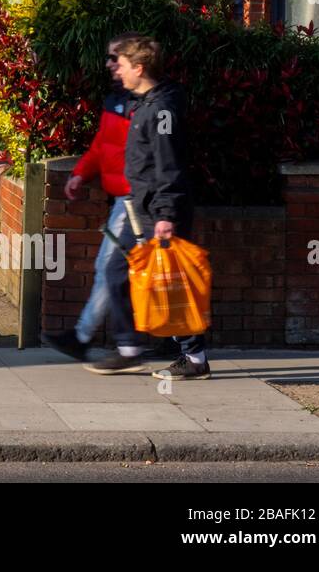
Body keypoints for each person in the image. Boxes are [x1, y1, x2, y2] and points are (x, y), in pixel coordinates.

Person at [85, 34, 210, 379]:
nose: (115, 70)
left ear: (139, 68)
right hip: (139, 208)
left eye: (121, 64)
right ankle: (130, 350)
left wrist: (166, 216)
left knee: (167, 283)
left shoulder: (161, 109)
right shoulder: (144, 102)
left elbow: (169, 165)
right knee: (119, 273)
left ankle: (195, 357)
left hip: (157, 213)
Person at [39, 34, 136, 362]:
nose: (108, 64)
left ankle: (95, 339)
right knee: (116, 268)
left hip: (133, 200)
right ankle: (167, 343)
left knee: (110, 266)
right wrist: (81, 172)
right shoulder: (115, 100)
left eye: (114, 58)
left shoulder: (143, 104)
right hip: (122, 198)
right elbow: (102, 144)